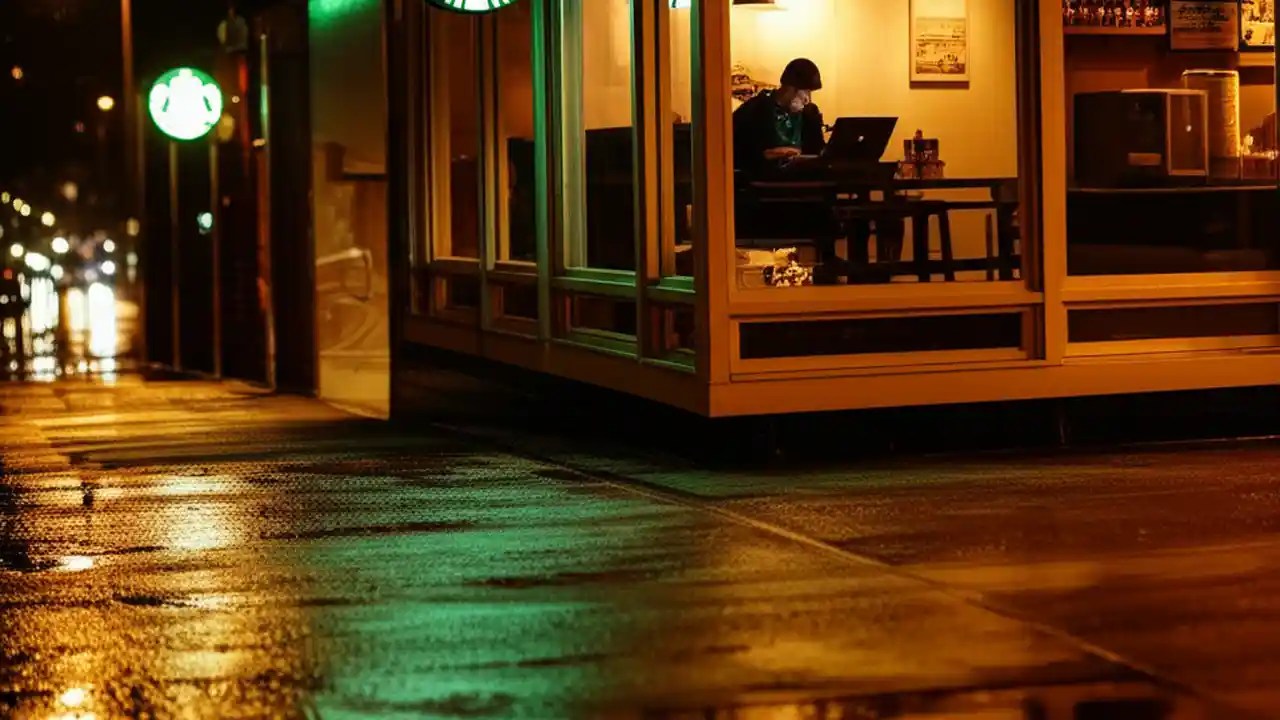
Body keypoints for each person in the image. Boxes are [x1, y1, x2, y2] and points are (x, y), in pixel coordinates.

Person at [732, 58, 826, 179]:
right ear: (790, 88)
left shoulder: (810, 113)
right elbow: (736, 152)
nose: (808, 99)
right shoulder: (753, 111)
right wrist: (770, 154)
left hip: (803, 179)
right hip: (762, 182)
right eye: (805, 92)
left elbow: (818, 150)